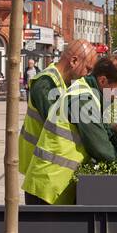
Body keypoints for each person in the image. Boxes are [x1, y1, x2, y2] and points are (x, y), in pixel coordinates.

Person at [18, 39, 95, 182]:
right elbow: (60, 123)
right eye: (88, 68)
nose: (88, 74)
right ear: (74, 61)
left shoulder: (71, 81)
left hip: (55, 169)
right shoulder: (45, 83)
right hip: (41, 167)